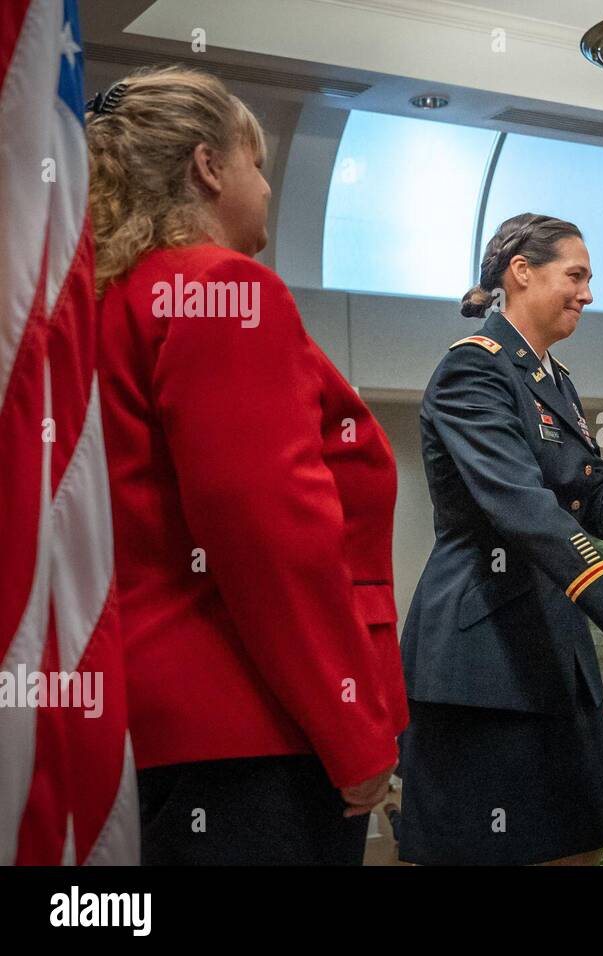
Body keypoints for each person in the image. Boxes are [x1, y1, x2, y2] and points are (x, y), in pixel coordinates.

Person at [90, 66, 407, 864]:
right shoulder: (224, 290)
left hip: (136, 727)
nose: (266, 187)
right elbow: (271, 537)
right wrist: (355, 733)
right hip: (251, 730)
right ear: (208, 167)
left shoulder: (99, 308)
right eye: (257, 164)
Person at [397, 213, 603, 866]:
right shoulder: (471, 370)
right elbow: (524, 510)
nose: (588, 294)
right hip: (484, 660)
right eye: (576, 275)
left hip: (551, 653)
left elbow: (593, 505)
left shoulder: (555, 381)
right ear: (522, 273)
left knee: (579, 843)